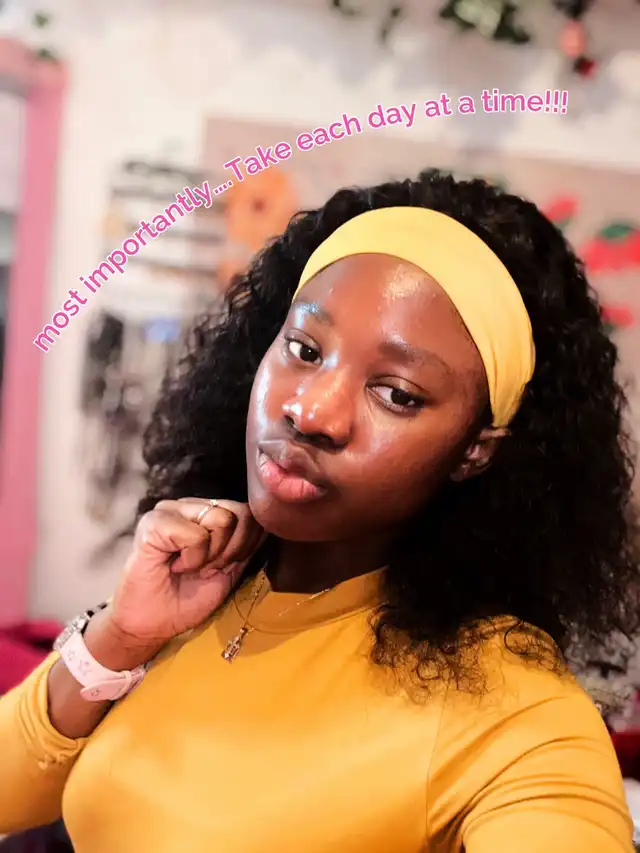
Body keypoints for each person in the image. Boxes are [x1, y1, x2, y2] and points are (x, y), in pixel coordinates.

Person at [0, 169, 637, 853]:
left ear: (474, 449)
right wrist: (120, 637)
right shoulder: (199, 587)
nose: (310, 411)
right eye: (305, 350)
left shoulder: (513, 708)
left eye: (396, 393)